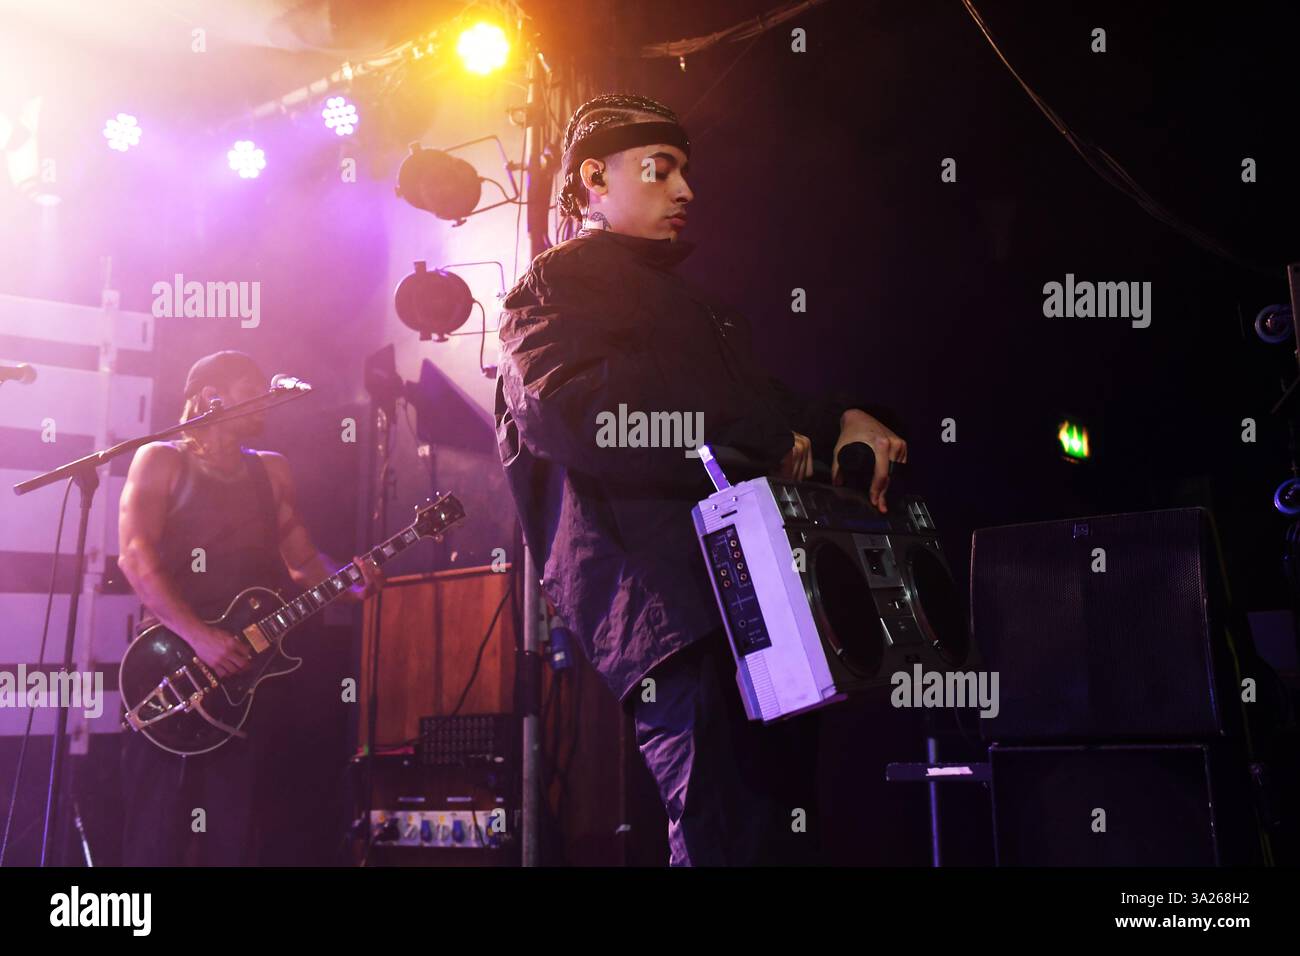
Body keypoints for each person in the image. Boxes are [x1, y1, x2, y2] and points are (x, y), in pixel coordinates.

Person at [495, 94, 908, 865]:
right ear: (593, 177)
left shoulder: (688, 305)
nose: (686, 190)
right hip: (672, 604)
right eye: (662, 169)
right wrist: (761, 439)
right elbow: (584, 412)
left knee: (778, 828)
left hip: (749, 599)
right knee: (728, 829)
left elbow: (761, 406)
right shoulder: (555, 286)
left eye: (687, 170)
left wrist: (848, 418)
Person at [116, 350, 383, 866]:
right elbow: (134, 558)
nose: (265, 401)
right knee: (155, 834)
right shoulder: (161, 459)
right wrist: (199, 636)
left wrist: (350, 584)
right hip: (171, 671)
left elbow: (302, 561)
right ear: (214, 396)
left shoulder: (271, 472)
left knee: (233, 835)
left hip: (244, 682)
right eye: (251, 388)